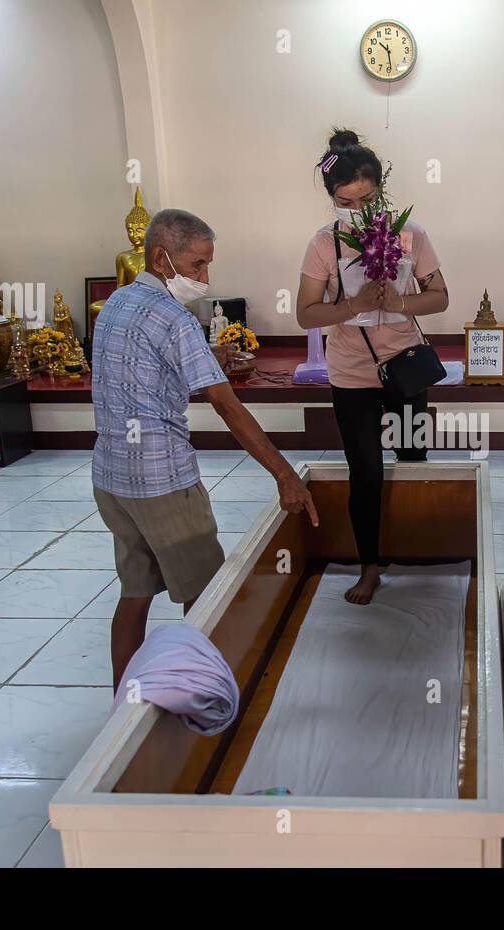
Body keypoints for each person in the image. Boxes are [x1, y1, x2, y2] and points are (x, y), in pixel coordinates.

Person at [93, 208, 318, 689]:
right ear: (161, 257)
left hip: (111, 479)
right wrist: (284, 474)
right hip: (162, 480)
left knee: (135, 592)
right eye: (197, 265)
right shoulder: (175, 317)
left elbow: (140, 371)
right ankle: (207, 701)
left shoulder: (114, 304)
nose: (204, 277)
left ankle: (122, 704)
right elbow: (225, 404)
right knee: (206, 598)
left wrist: (205, 355)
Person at [295, 129, 449, 605]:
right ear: (332, 199)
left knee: (413, 458)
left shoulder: (411, 234)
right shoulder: (324, 244)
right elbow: (305, 313)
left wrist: (402, 302)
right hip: (352, 373)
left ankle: (413, 552)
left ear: (381, 188)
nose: (358, 209)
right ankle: (369, 568)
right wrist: (350, 305)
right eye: (346, 201)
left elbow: (441, 297)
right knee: (365, 473)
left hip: (404, 365)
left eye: (367, 198)